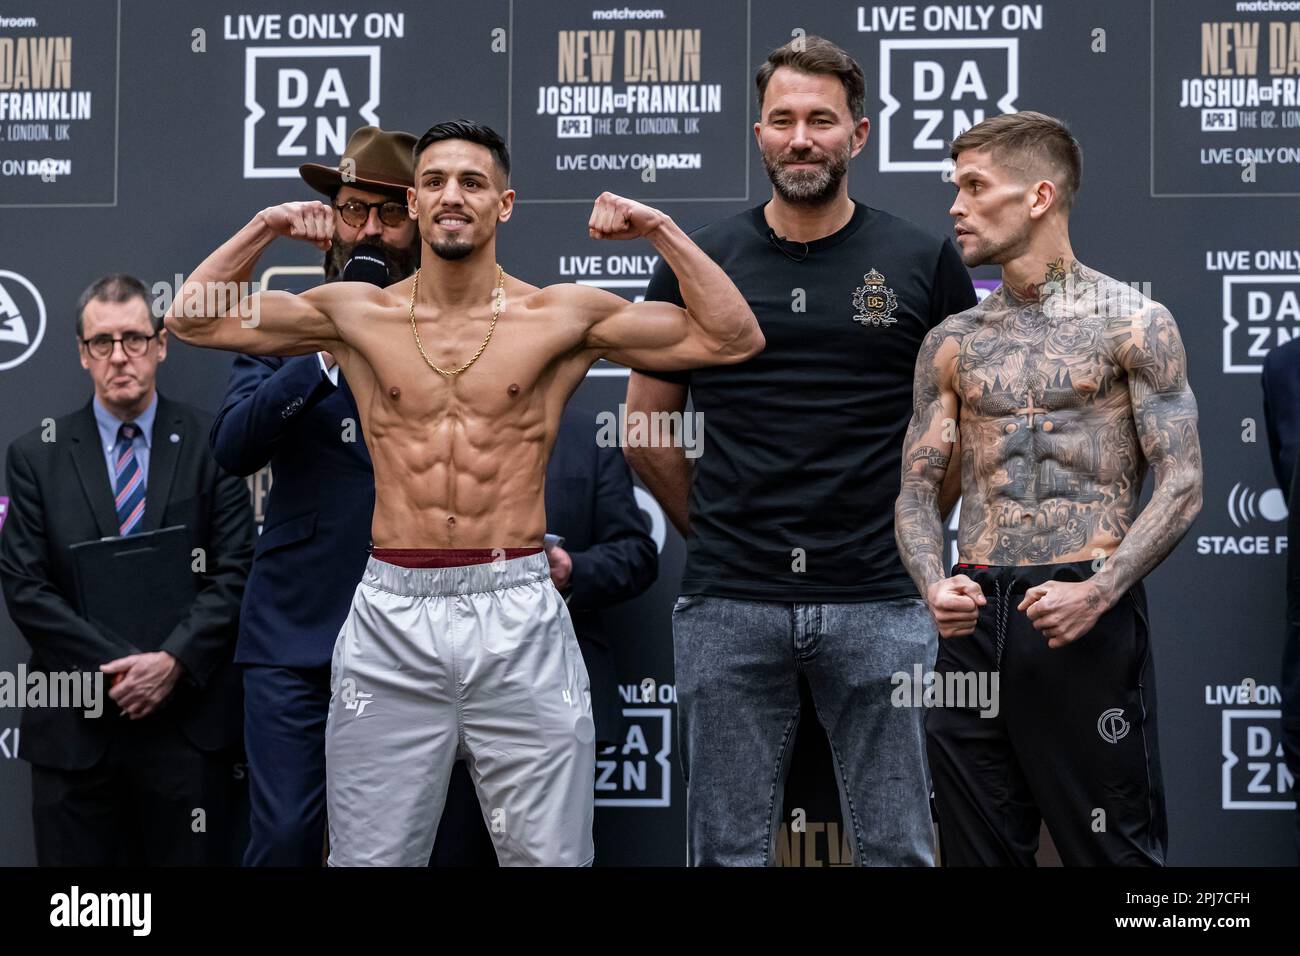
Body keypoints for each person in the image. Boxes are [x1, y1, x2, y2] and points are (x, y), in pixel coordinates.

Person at [164, 119, 763, 866]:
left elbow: (733, 338)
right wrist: (266, 225)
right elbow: (190, 318)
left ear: (505, 204)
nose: (453, 196)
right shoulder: (353, 314)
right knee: (369, 859)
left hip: (517, 603)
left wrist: (661, 230)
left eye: (473, 182)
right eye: (436, 182)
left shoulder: (562, 315)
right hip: (391, 608)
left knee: (550, 858)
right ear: (412, 203)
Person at [624, 36, 975, 866]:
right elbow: (646, 430)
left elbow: (958, 432)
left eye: (821, 120)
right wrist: (713, 533)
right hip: (729, 601)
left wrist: (911, 532)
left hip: (881, 600)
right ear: (758, 136)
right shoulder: (697, 263)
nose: (801, 138)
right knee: (724, 851)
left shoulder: (924, 261)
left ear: (858, 135)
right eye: (782, 120)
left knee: (901, 848)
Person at [895, 111, 1203, 866]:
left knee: (1115, 857)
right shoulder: (953, 341)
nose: (955, 206)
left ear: (1037, 197)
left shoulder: (1134, 324)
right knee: (975, 855)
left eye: (974, 187)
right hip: (973, 618)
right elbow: (914, 494)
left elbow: (1184, 482)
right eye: (955, 187)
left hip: (1081, 608)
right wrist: (934, 585)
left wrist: (1101, 591)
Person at [208, 126, 419, 866]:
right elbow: (235, 446)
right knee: (289, 838)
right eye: (353, 210)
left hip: (416, 636)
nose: (368, 231)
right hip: (295, 632)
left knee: (399, 846)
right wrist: (327, 351)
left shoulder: (462, 331)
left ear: (424, 219)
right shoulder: (288, 320)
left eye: (388, 216)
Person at [0, 274, 252, 865]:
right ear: (82, 353)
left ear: (161, 344)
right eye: (102, 342)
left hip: (188, 732)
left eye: (135, 339)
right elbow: (27, 588)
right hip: (77, 737)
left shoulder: (214, 444)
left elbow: (237, 571)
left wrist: (171, 662)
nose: (120, 357)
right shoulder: (36, 455)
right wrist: (115, 674)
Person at [431, 405, 658, 866]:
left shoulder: (585, 433)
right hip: (438, 687)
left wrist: (573, 570)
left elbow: (637, 554)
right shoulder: (427, 428)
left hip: (553, 692)